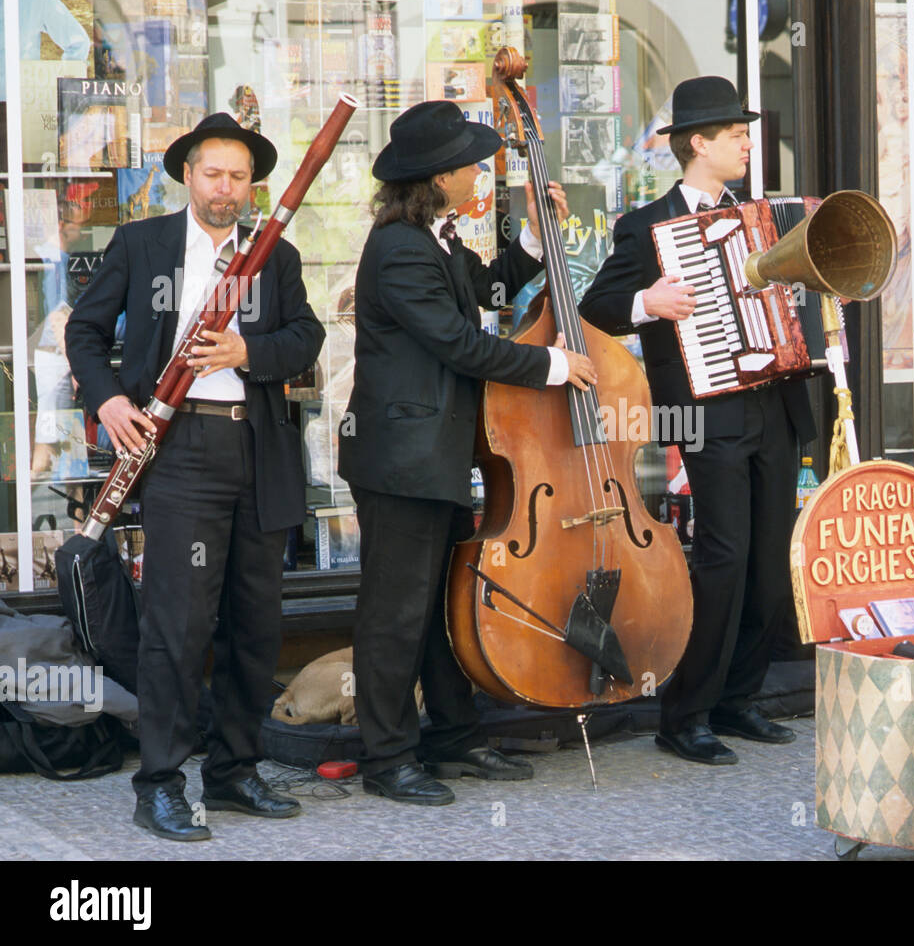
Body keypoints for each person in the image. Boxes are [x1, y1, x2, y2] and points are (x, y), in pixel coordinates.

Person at [66, 113, 326, 839]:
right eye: (214, 173)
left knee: (255, 623)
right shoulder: (142, 243)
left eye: (240, 176)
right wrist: (112, 401)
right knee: (177, 626)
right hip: (179, 453)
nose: (227, 188)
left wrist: (246, 351)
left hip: (260, 451)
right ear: (189, 175)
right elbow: (83, 332)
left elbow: (307, 336)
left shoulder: (275, 256)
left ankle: (237, 772)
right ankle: (159, 782)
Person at [339, 101, 597, 805]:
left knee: (440, 606)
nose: (480, 173)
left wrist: (539, 239)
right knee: (395, 613)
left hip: (439, 455)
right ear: (438, 178)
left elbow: (487, 288)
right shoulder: (398, 248)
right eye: (470, 165)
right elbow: (458, 343)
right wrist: (550, 366)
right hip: (402, 461)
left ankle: (453, 737)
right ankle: (387, 758)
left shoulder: (439, 240)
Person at [579, 77, 815, 765]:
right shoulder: (645, 226)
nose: (748, 141)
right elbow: (598, 306)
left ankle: (739, 699)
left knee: (771, 564)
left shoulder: (767, 219)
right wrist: (649, 301)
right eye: (736, 133)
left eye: (747, 133)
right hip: (703, 412)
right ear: (699, 143)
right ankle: (685, 715)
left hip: (774, 403)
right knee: (723, 557)